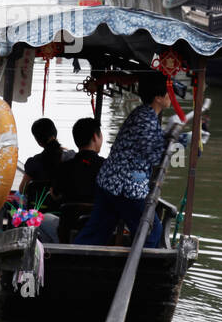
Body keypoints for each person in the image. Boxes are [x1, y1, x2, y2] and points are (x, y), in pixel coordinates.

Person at [72, 73, 172, 248]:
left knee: (96, 232)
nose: (171, 97)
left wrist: (176, 138)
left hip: (110, 183)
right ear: (158, 97)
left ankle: (76, 263)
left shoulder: (143, 114)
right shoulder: (146, 119)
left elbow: (153, 143)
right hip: (127, 187)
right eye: (168, 92)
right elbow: (154, 155)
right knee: (150, 231)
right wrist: (179, 141)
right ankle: (141, 269)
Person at [19, 117, 72, 209]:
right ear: (55, 133)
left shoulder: (33, 162)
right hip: (63, 213)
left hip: (38, 216)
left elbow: (22, 190)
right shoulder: (70, 158)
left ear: (38, 141)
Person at [53, 117, 105, 204]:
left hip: (70, 217)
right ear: (95, 137)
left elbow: (55, 194)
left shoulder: (63, 168)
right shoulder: (107, 168)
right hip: (99, 216)